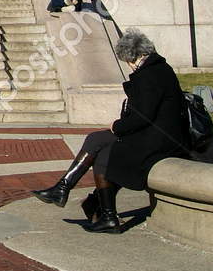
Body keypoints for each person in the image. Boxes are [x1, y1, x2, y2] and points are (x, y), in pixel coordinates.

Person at [30, 29, 189, 233]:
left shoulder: (149, 75)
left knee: (98, 141)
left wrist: (117, 126)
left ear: (134, 56)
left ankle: (66, 190)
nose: (129, 66)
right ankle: (99, 212)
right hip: (160, 135)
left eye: (128, 61)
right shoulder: (160, 69)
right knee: (101, 148)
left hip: (158, 141)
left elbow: (142, 116)